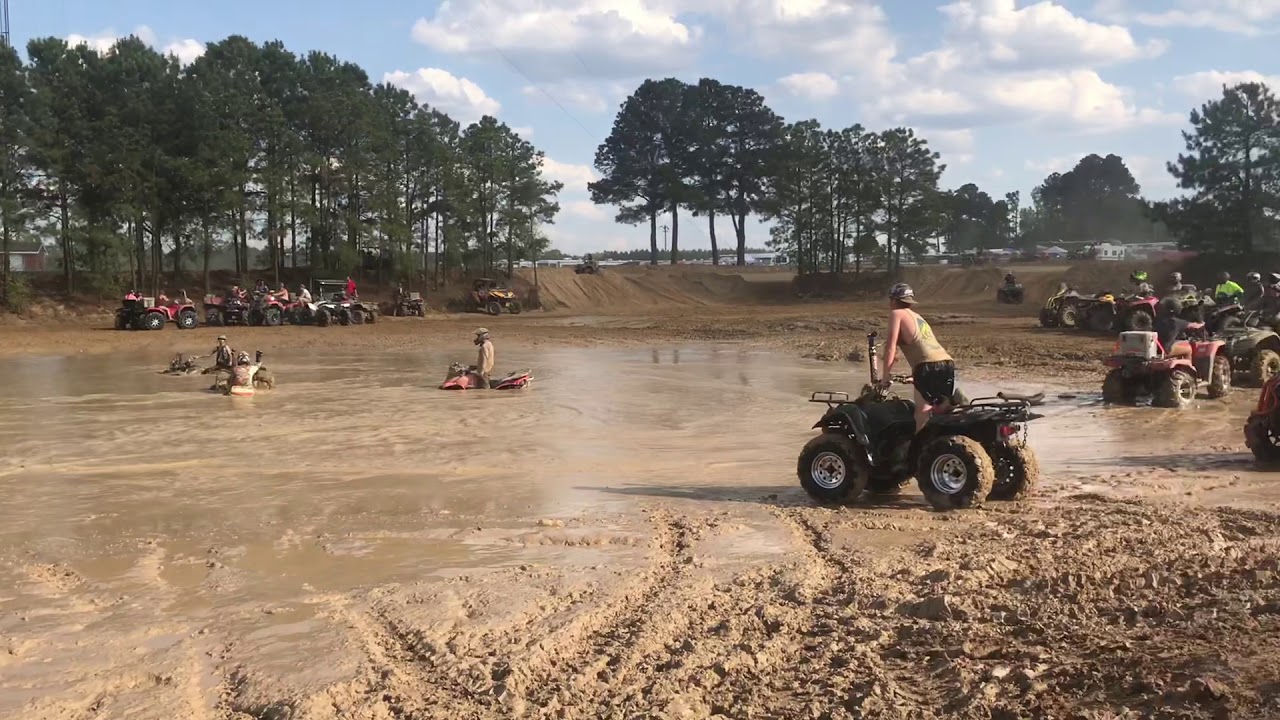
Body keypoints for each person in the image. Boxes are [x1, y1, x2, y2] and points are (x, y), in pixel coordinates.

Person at [878, 283, 955, 432]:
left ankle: (920, 451)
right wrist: (914, 377)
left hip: (927, 366)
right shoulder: (917, 317)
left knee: (922, 411)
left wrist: (885, 377)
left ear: (893, 301)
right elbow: (921, 346)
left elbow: (890, 348)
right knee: (940, 408)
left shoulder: (897, 313)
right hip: (946, 364)